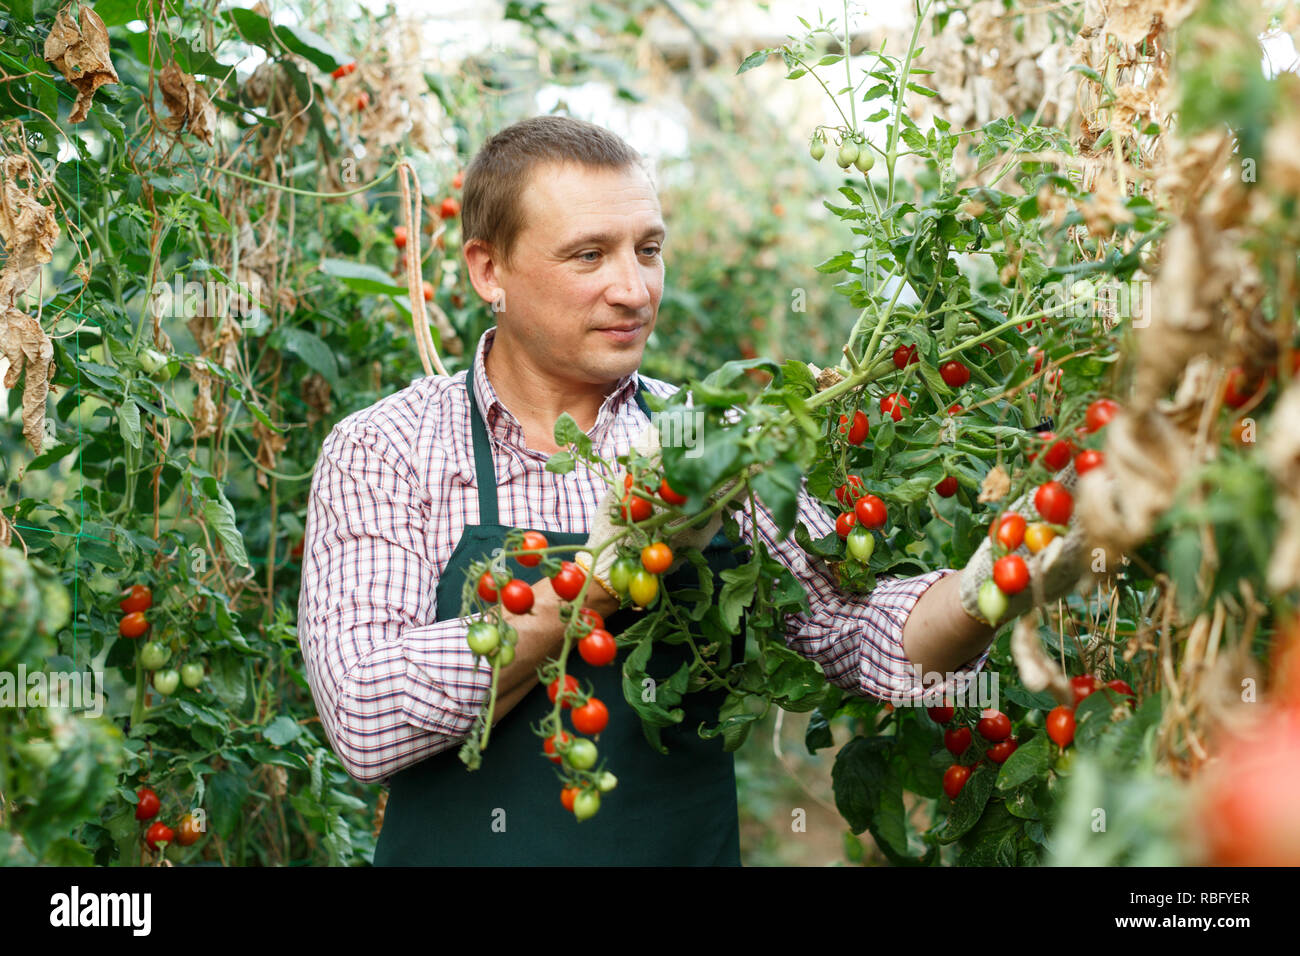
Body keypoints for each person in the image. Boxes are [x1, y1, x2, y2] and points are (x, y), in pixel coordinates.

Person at [296, 115, 1082, 866]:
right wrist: (596, 590)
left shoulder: (711, 440)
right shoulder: (389, 449)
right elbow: (366, 720)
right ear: (488, 269)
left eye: (648, 249)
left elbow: (851, 631)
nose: (634, 290)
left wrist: (991, 585)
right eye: (588, 256)